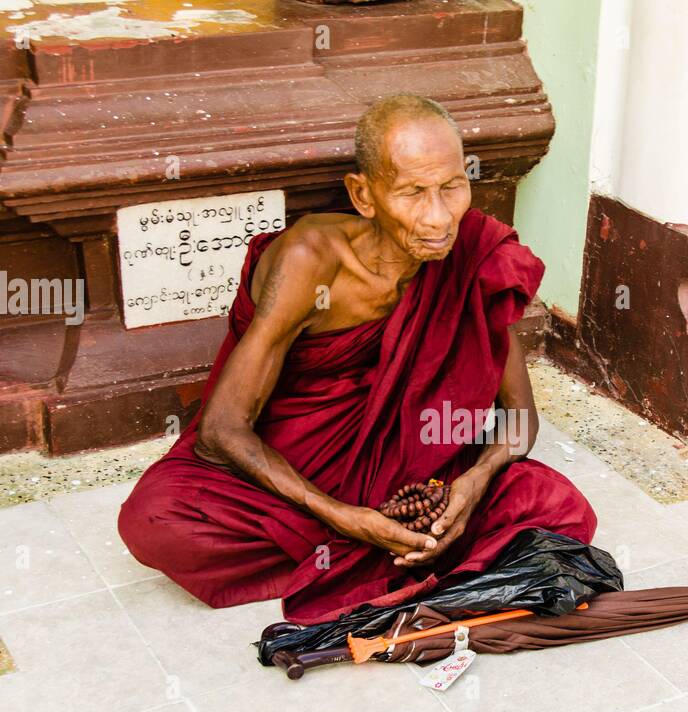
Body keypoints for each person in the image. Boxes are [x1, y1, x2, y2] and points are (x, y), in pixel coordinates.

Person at [117, 94, 596, 624]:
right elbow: (223, 430)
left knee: (556, 504)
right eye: (413, 192)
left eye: (452, 187)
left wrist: (474, 482)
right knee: (155, 519)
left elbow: (518, 416)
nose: (438, 217)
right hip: (299, 468)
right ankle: (388, 545)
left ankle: (401, 538)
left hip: (418, 470)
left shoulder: (474, 253)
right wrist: (346, 519)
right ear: (363, 195)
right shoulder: (311, 260)